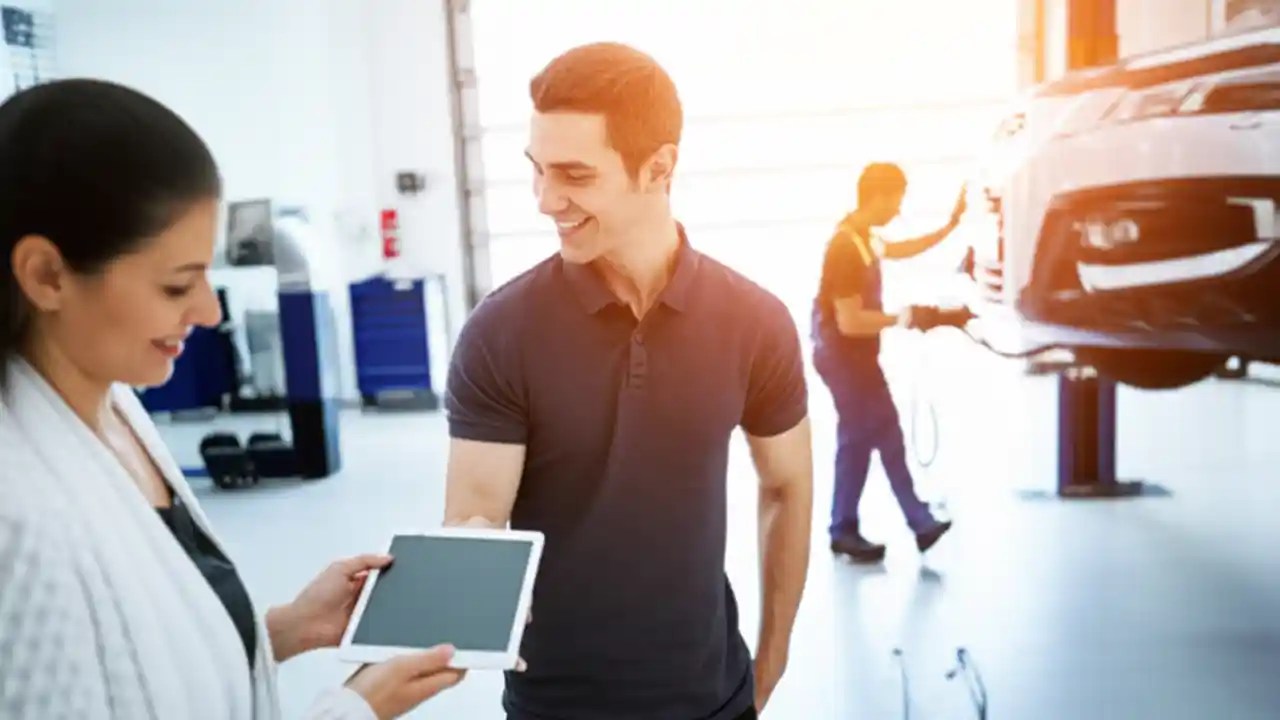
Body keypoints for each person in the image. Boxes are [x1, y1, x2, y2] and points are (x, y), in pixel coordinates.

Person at [0, 78, 465, 719]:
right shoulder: (21, 521)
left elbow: (135, 664)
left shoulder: (112, 409)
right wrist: (353, 711)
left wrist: (285, 628)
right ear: (47, 276)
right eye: (175, 286)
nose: (206, 309)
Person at [443, 42, 813, 720]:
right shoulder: (500, 334)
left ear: (659, 167)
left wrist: (774, 654)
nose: (546, 201)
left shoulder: (755, 322)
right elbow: (475, 516)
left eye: (574, 176)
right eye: (537, 172)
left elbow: (786, 483)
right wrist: (455, 584)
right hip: (555, 706)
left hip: (715, 697)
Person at [811, 162, 966, 563]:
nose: (898, 212)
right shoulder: (845, 248)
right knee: (879, 436)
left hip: (855, 357)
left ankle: (849, 527)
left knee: (860, 441)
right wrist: (906, 317)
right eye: (895, 201)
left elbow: (902, 248)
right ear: (877, 197)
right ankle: (915, 522)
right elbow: (849, 321)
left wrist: (949, 228)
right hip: (843, 358)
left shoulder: (864, 238)